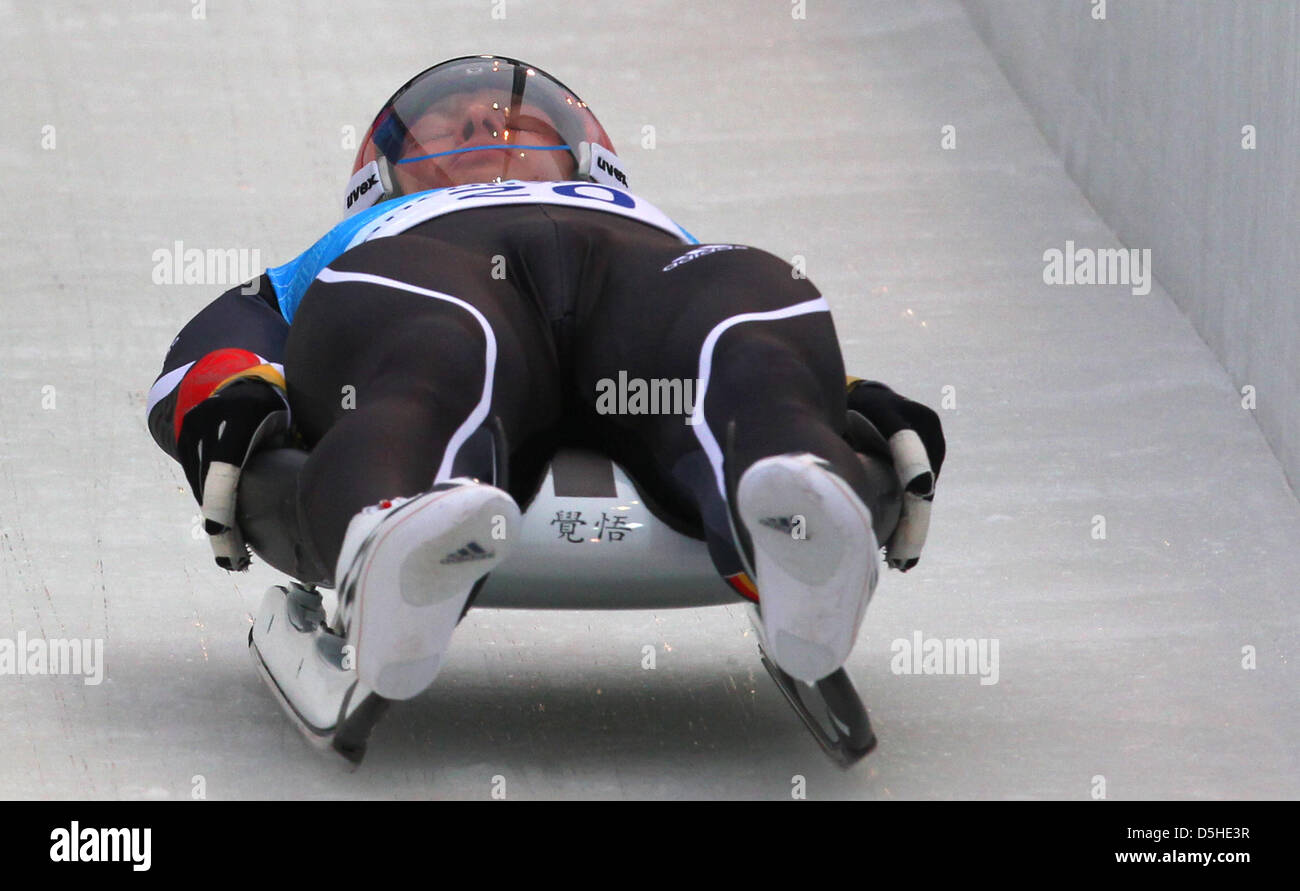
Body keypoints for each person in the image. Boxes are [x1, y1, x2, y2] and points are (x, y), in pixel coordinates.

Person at [146, 55, 946, 708]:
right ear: (383, 178)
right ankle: (389, 523)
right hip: (436, 267)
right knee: (436, 344)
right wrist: (234, 396)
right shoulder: (359, 238)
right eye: (448, 124)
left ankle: (798, 496)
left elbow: (752, 341)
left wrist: (841, 396)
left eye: (513, 117)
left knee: (745, 296)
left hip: (639, 278)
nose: (482, 122)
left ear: (585, 158)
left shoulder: (655, 226)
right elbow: (206, 352)